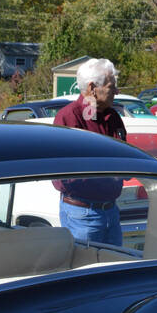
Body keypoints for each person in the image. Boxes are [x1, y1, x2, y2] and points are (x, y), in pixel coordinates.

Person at [51, 57, 128, 246]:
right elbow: (64, 174)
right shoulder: (69, 118)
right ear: (93, 87)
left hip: (111, 210)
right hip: (82, 214)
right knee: (88, 272)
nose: (117, 91)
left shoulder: (113, 117)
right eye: (112, 86)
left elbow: (125, 159)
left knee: (115, 269)